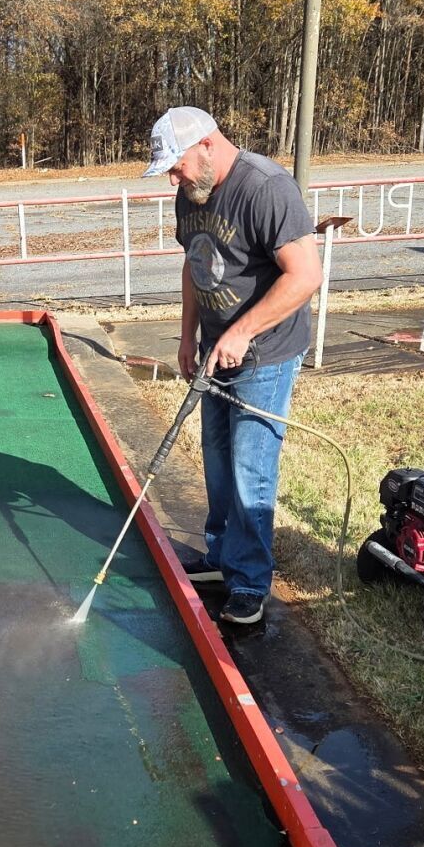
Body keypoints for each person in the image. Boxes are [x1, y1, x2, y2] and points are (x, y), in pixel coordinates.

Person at [142, 106, 322, 626]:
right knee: (218, 459)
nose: (173, 180)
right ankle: (221, 555)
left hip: (266, 353)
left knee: (250, 467)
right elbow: (195, 262)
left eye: (176, 167)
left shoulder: (267, 188)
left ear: (207, 145)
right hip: (215, 348)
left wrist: (242, 332)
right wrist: (188, 337)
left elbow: (305, 275)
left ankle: (248, 581)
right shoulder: (192, 191)